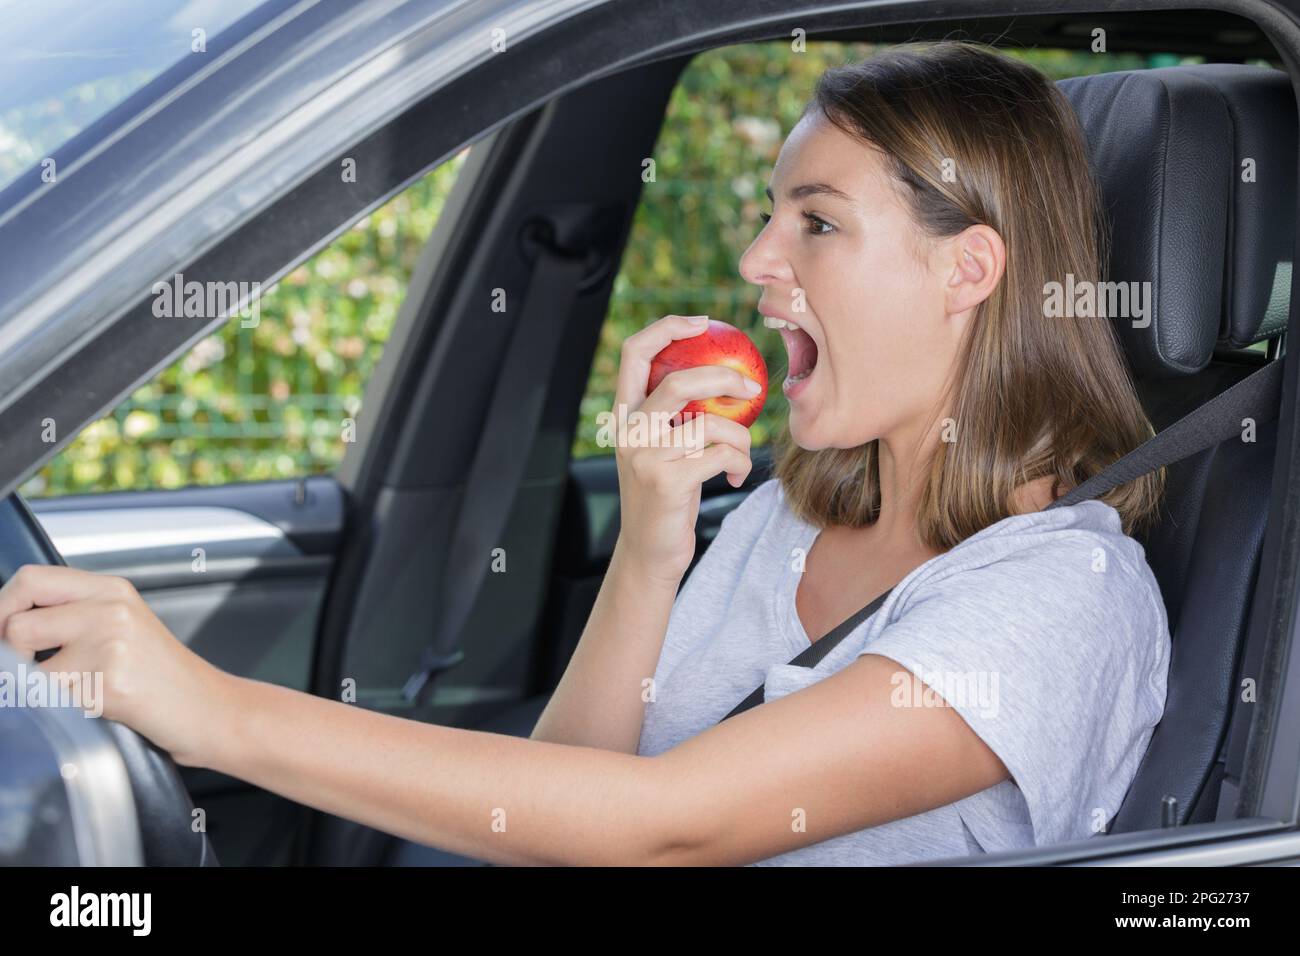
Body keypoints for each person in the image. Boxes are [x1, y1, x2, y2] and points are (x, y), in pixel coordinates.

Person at [0, 41, 1170, 866]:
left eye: (814, 221)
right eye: (770, 213)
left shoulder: (1059, 596)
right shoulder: (792, 516)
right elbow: (555, 824)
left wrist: (210, 709)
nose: (759, 257)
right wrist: (653, 540)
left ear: (967, 271)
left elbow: (664, 822)